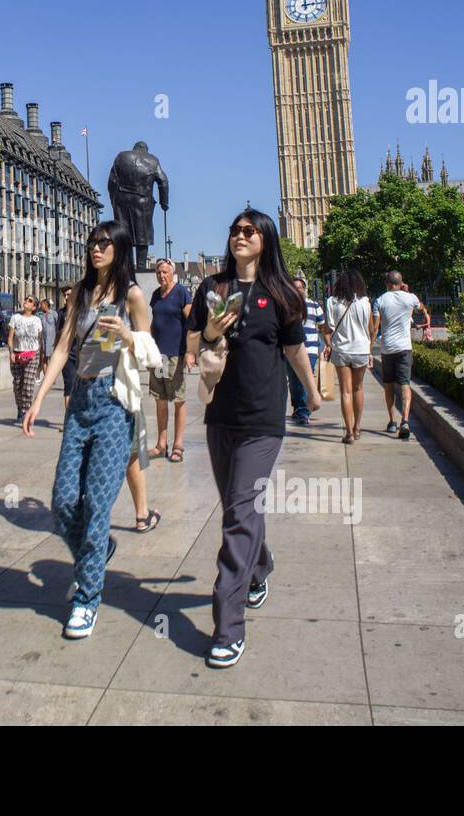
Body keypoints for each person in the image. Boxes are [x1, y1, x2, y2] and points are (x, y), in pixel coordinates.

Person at [187, 209, 320, 669]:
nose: (240, 236)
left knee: (239, 516)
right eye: (235, 231)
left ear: (265, 239)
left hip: (264, 420)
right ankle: (259, 567)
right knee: (237, 509)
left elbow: (294, 348)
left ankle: (227, 627)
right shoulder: (212, 287)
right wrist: (208, 332)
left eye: (249, 231)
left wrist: (312, 390)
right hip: (220, 415)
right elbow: (190, 348)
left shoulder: (280, 293)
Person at [22, 221, 153, 640]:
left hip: (115, 408)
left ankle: (87, 599)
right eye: (92, 243)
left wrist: (129, 337)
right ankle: (96, 554)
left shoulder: (131, 294)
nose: (95, 249)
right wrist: (39, 399)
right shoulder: (80, 293)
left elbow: (153, 351)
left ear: (119, 249)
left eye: (103, 243)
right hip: (79, 404)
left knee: (97, 505)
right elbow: (63, 347)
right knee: (62, 503)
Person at [370, 271, 429, 440]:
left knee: (388, 385)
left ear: (386, 284)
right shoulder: (409, 298)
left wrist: (369, 348)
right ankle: (405, 420)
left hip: (387, 348)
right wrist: (408, 292)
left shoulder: (380, 300)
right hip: (404, 348)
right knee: (405, 384)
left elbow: (375, 328)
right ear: (401, 282)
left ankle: (391, 421)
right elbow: (421, 308)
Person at [147, 258, 192, 462]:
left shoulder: (181, 292)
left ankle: (178, 445)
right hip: (158, 356)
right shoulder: (156, 295)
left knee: (178, 400)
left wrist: (191, 351)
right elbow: (154, 322)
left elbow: (191, 322)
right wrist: (147, 347)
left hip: (176, 354)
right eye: (158, 272)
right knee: (160, 400)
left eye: (165, 272)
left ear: (172, 273)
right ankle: (161, 444)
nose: (161, 275)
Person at [321, 269, 372, 444]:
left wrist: (328, 343)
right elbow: (371, 329)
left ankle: (349, 433)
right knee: (358, 388)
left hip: (341, 349)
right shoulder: (365, 302)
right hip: (361, 349)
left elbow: (327, 329)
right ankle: (358, 428)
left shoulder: (332, 301)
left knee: (345, 391)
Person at [286, 274, 325, 426]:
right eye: (295, 288)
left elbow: (322, 325)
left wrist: (324, 345)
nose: (298, 290)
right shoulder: (287, 305)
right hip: (290, 350)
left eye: (301, 288)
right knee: (294, 382)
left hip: (309, 350)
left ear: (304, 289)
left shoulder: (314, 305)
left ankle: (304, 412)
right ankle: (297, 407)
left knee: (303, 381)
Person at [7, 297, 43, 422]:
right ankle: (20, 408)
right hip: (17, 353)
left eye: (30, 300)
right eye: (26, 299)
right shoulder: (15, 318)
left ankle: (25, 414)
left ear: (34, 307)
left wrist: (40, 361)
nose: (26, 301)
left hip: (32, 354)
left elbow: (40, 340)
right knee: (17, 385)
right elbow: (10, 337)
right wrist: (11, 352)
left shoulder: (37, 320)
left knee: (28, 386)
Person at [54, 286, 77, 417]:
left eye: (69, 294)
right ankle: (68, 418)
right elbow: (58, 333)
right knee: (69, 386)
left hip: (81, 353)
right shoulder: (61, 313)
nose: (67, 297)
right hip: (66, 354)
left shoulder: (82, 311)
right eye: (65, 295)